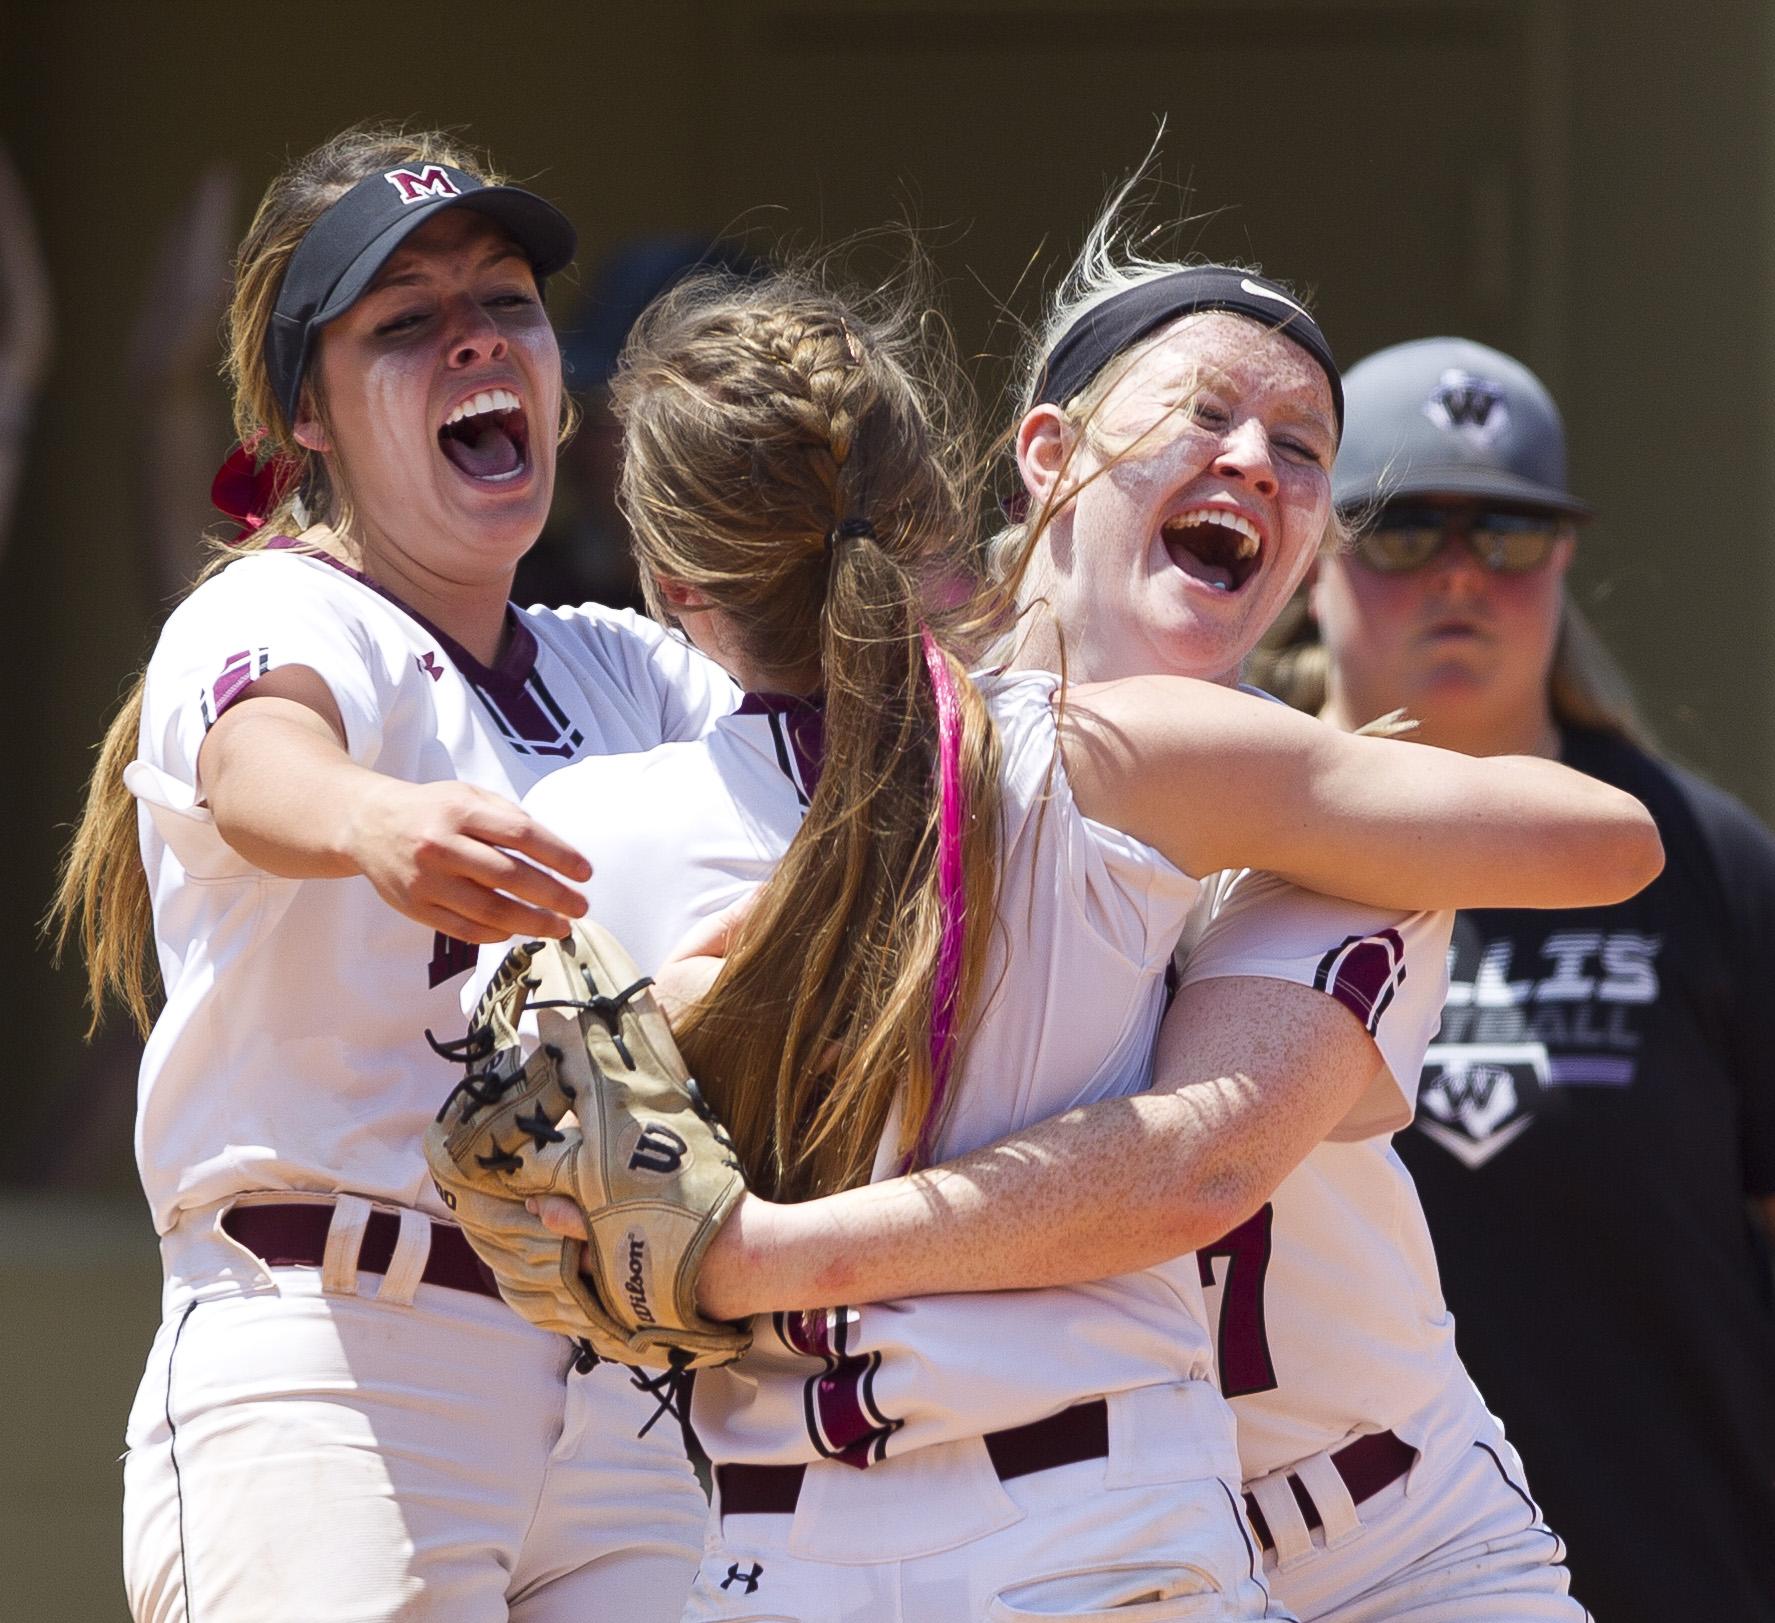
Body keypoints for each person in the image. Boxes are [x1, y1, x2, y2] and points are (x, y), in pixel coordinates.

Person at [510, 249, 1658, 1620]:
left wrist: (764, 1241)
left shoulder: (1334, 803)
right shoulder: (853, 769)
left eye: (1300, 450)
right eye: (1204, 415)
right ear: (1046, 452)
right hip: (1056, 1522)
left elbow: (1192, 1161)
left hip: (1382, 1539)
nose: (1254, 462)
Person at [49, 126, 736, 1622]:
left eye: (505, 299)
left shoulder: (622, 667)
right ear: (309, 411)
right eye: (407, 321)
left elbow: (851, 800)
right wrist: (372, 820)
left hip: (617, 1380)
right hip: (341, 1358)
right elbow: (258, 761)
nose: (476, 337)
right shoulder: (291, 607)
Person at [1250, 336, 1775, 1623]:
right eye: (1404, 529)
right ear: (1310, 547)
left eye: (1507, 534)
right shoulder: (1210, 866)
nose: (1457, 575)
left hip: (1671, 1578)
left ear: (1565, 560)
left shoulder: (1704, 865)